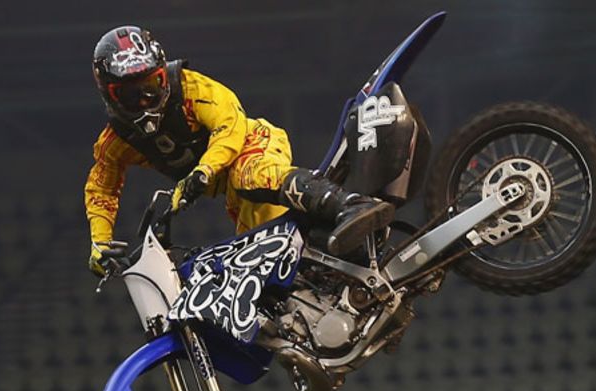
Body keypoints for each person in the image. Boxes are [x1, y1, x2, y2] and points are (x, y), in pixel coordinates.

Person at [84, 25, 393, 277]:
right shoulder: (116, 141)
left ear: (164, 73)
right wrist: (99, 242)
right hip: (232, 190)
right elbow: (101, 186)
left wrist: (203, 171)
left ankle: (349, 204)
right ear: (109, 96)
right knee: (257, 264)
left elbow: (230, 124)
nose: (145, 100)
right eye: (130, 93)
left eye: (152, 85)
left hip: (253, 144)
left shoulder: (192, 89)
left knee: (250, 175)